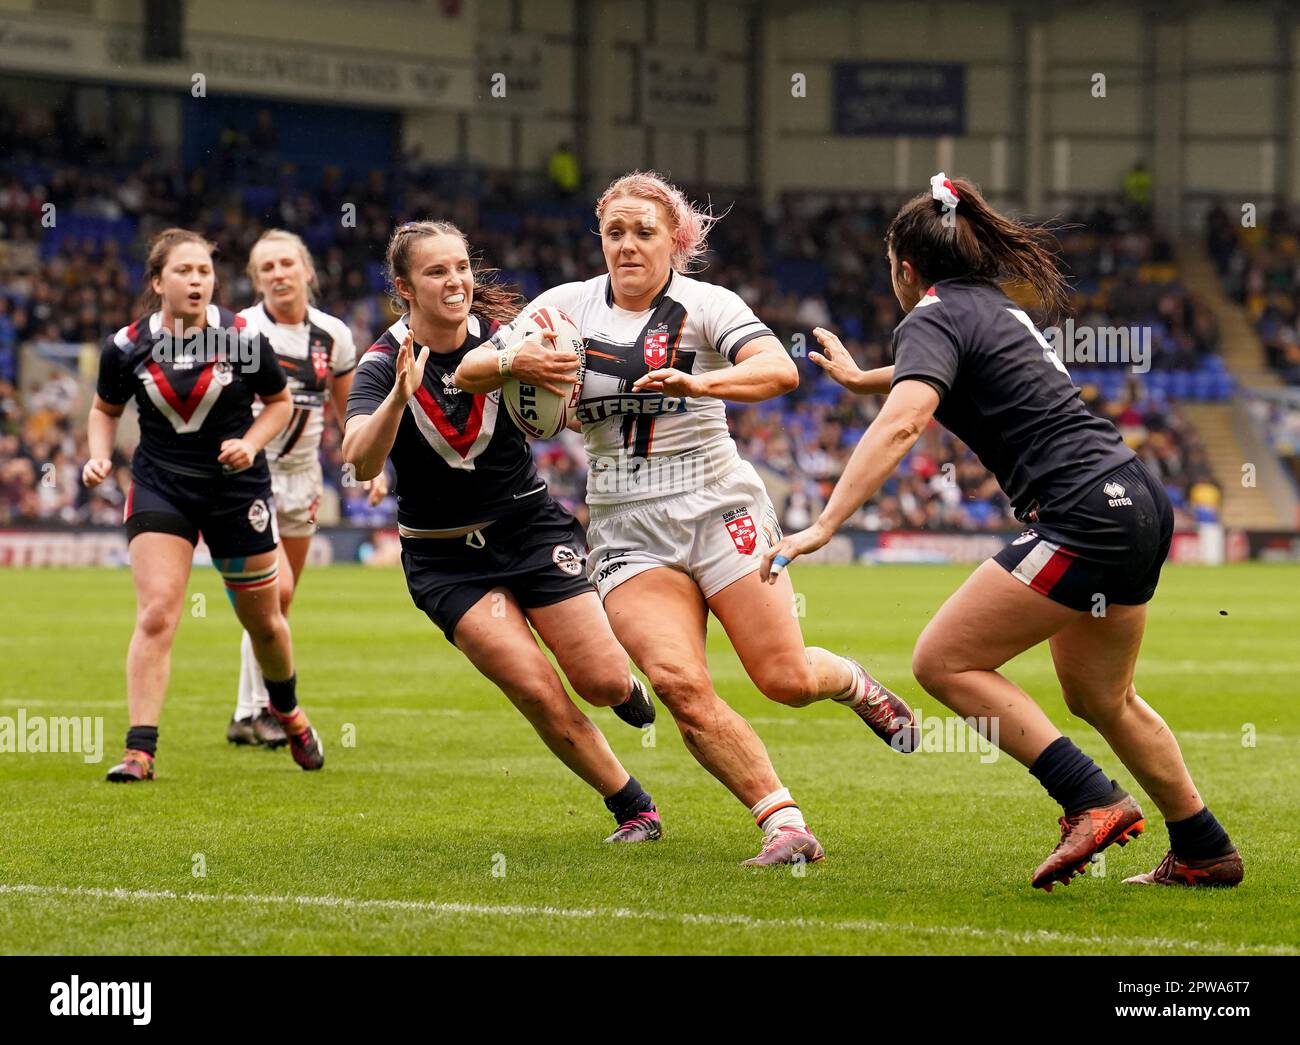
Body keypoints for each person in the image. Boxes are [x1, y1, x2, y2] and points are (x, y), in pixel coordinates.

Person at [763, 173, 1242, 889]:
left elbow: (905, 422)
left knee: (943, 662)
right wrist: (867, 380)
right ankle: (1204, 847)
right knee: (1101, 698)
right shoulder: (990, 305)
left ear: (905, 266)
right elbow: (929, 378)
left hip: (1081, 512)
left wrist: (825, 522)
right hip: (1135, 496)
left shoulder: (928, 314)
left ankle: (1091, 799)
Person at [456, 171, 918, 866]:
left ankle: (853, 682)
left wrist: (700, 381)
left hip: (716, 503)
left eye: (644, 232)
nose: (628, 246)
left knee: (783, 678)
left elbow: (777, 371)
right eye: (614, 233)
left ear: (675, 239)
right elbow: (467, 372)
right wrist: (513, 356)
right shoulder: (563, 308)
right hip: (624, 523)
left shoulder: (706, 304)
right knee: (676, 682)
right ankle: (784, 824)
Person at [341, 220, 662, 843]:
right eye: (437, 272)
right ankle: (633, 806)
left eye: (462, 267)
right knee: (536, 688)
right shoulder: (384, 361)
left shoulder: (512, 342)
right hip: (445, 561)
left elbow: (563, 404)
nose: (456, 281)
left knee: (597, 680)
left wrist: (561, 386)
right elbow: (358, 461)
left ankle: (620, 685)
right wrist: (396, 401)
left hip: (531, 530)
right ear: (405, 288)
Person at [83, 227, 324, 781]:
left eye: (205, 273)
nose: (197, 281)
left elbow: (279, 404)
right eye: (184, 272)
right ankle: (139, 751)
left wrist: (252, 443)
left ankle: (285, 709)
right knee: (157, 613)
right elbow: (104, 409)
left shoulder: (242, 337)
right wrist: (99, 456)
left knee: (264, 622)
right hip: (160, 486)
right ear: (157, 282)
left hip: (236, 493)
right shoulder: (124, 347)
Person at [226, 229, 388, 747]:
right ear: (256, 280)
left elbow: (350, 410)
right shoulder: (242, 330)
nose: (278, 274)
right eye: (266, 267)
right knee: (276, 594)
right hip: (252, 475)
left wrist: (373, 467)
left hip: (303, 479)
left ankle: (249, 712)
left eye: (286, 264)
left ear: (306, 272)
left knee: (276, 608)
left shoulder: (333, 335)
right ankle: (267, 709)